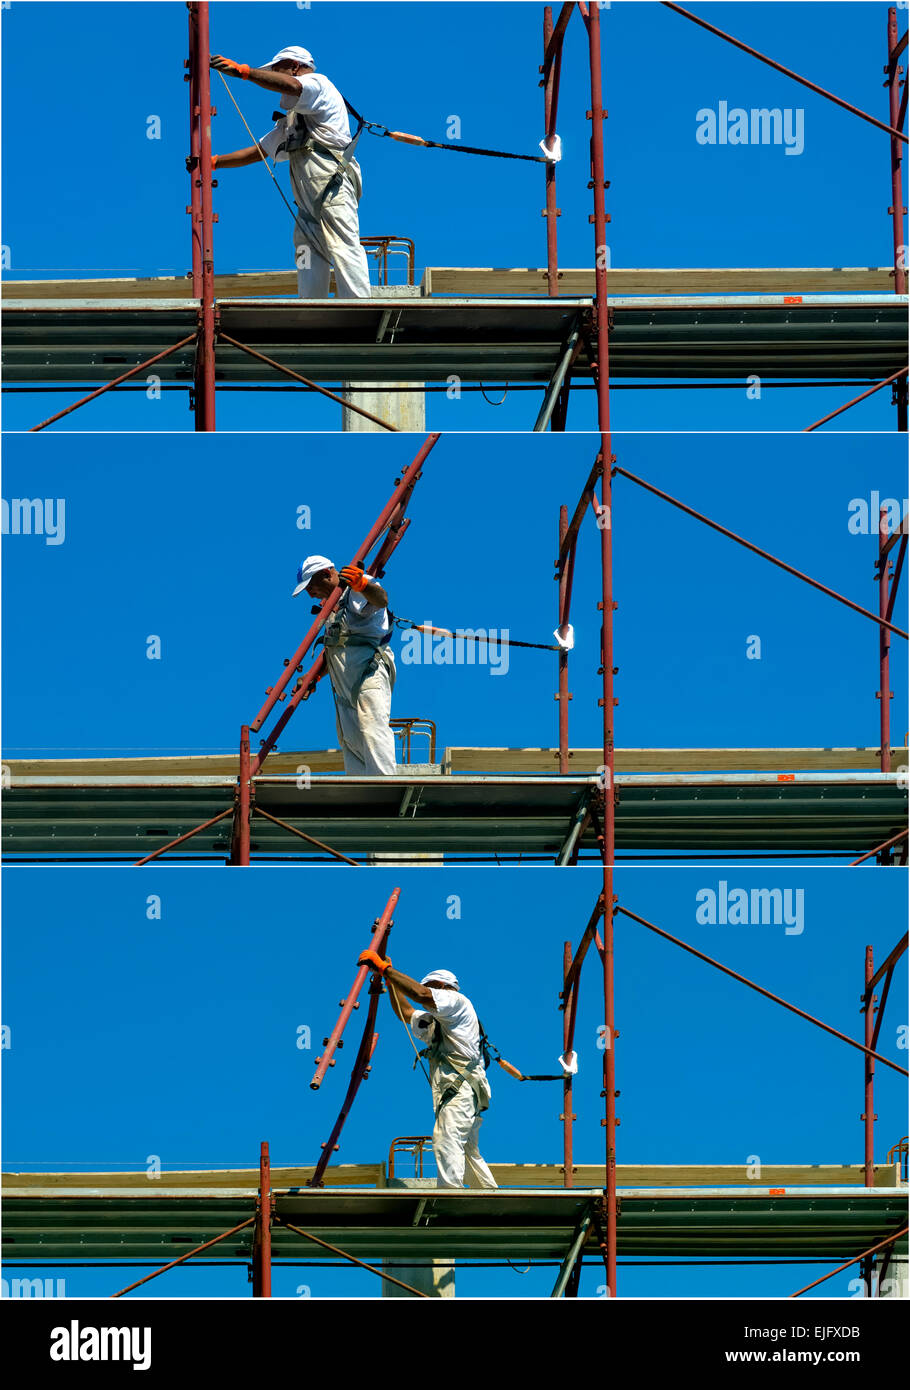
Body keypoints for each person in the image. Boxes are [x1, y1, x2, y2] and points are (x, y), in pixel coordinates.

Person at [209, 45, 372, 298]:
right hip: (310, 197)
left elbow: (293, 87)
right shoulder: (294, 117)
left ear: (295, 66)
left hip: (332, 185)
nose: (275, 74)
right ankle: (312, 305)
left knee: (343, 243)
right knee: (306, 247)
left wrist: (244, 72)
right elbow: (260, 151)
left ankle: (360, 305)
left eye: (278, 69)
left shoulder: (318, 84)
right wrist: (215, 162)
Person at [359, 953, 498, 1191]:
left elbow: (420, 994)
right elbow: (406, 1011)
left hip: (461, 1089)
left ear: (444, 987)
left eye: (432, 989)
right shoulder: (438, 1022)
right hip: (461, 1090)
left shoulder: (456, 1002)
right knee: (465, 1149)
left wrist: (386, 970)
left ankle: (451, 1196)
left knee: (447, 1137)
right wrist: (392, 982)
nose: (428, 996)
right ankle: (489, 1195)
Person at [293, 555, 397, 775]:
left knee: (372, 728)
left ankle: (386, 785)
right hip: (344, 684)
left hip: (367, 672)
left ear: (326, 574)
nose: (309, 593)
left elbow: (381, 599)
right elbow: (336, 647)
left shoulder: (353, 589)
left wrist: (362, 584)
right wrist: (314, 676)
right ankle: (363, 792)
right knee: (350, 739)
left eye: (311, 586)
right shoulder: (334, 605)